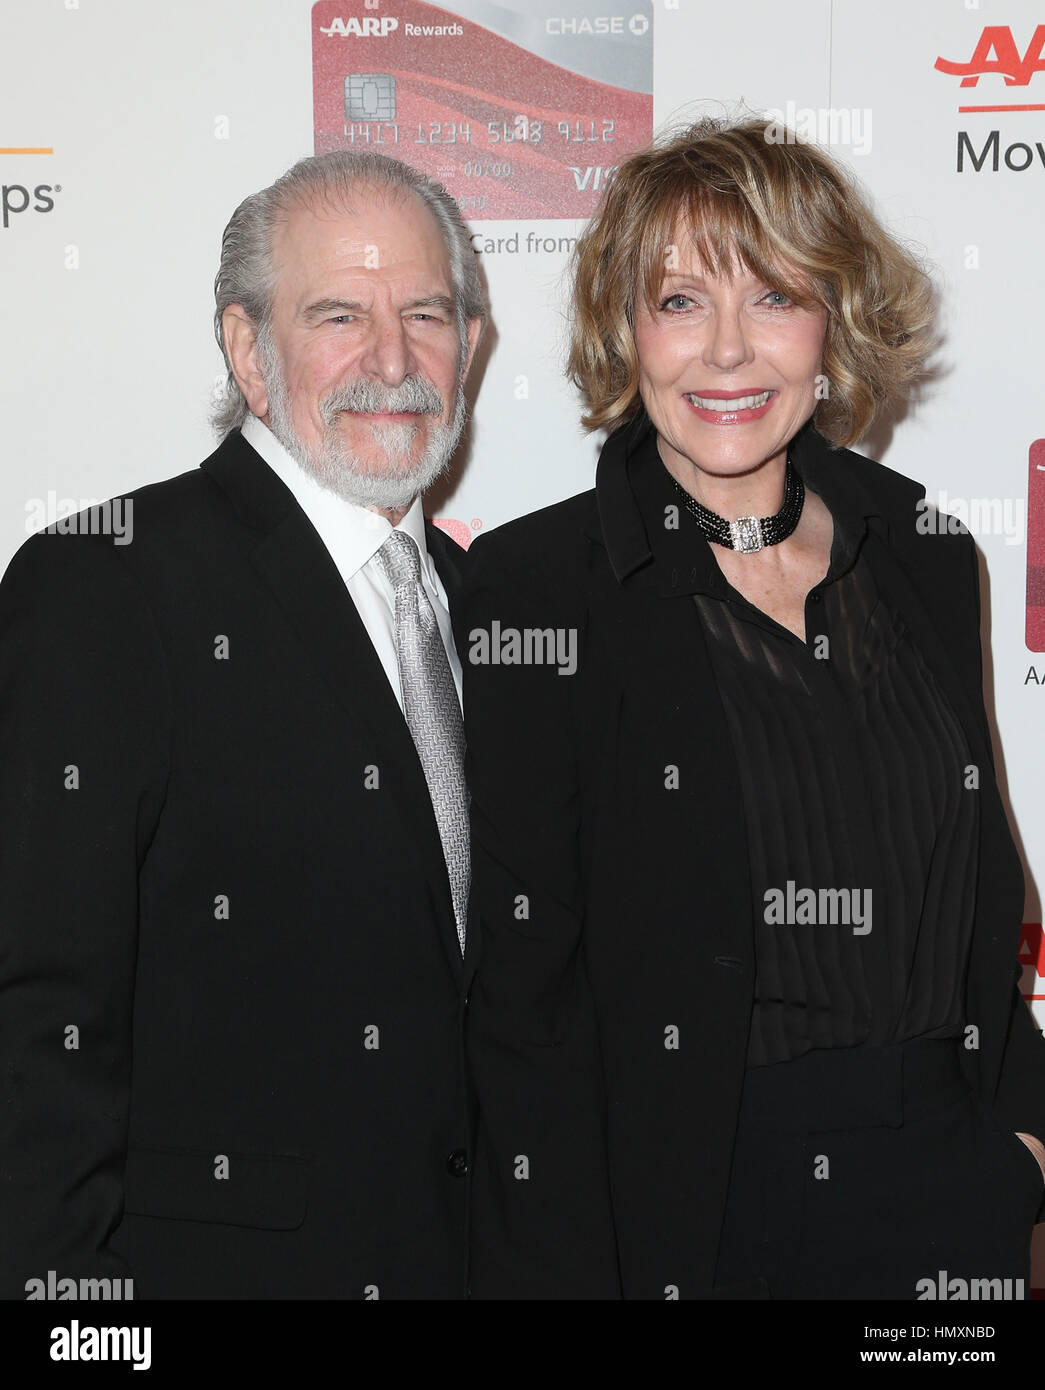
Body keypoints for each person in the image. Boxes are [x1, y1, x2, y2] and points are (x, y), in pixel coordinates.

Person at [459, 117, 1045, 1300]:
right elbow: (525, 1003)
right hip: (691, 1214)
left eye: (773, 296)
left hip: (951, 1191)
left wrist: (1019, 1152)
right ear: (625, 332)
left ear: (832, 322)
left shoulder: (923, 555)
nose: (727, 353)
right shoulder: (537, 588)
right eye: (678, 302)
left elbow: (985, 888)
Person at [0, 150, 485, 1299]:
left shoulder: (495, 608)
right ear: (245, 352)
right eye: (337, 315)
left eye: (426, 312)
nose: (392, 359)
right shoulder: (104, 585)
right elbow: (35, 1010)